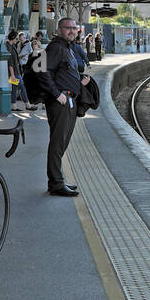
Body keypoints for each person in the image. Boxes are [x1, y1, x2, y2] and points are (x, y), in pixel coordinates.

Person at [33, 18, 91, 197]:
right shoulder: (56, 47)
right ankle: (56, 183)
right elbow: (41, 71)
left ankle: (58, 180)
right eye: (68, 28)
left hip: (69, 100)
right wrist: (56, 94)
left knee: (62, 142)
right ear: (59, 30)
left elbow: (63, 71)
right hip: (61, 102)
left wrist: (80, 81)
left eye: (74, 28)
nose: (72, 31)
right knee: (58, 143)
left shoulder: (68, 47)